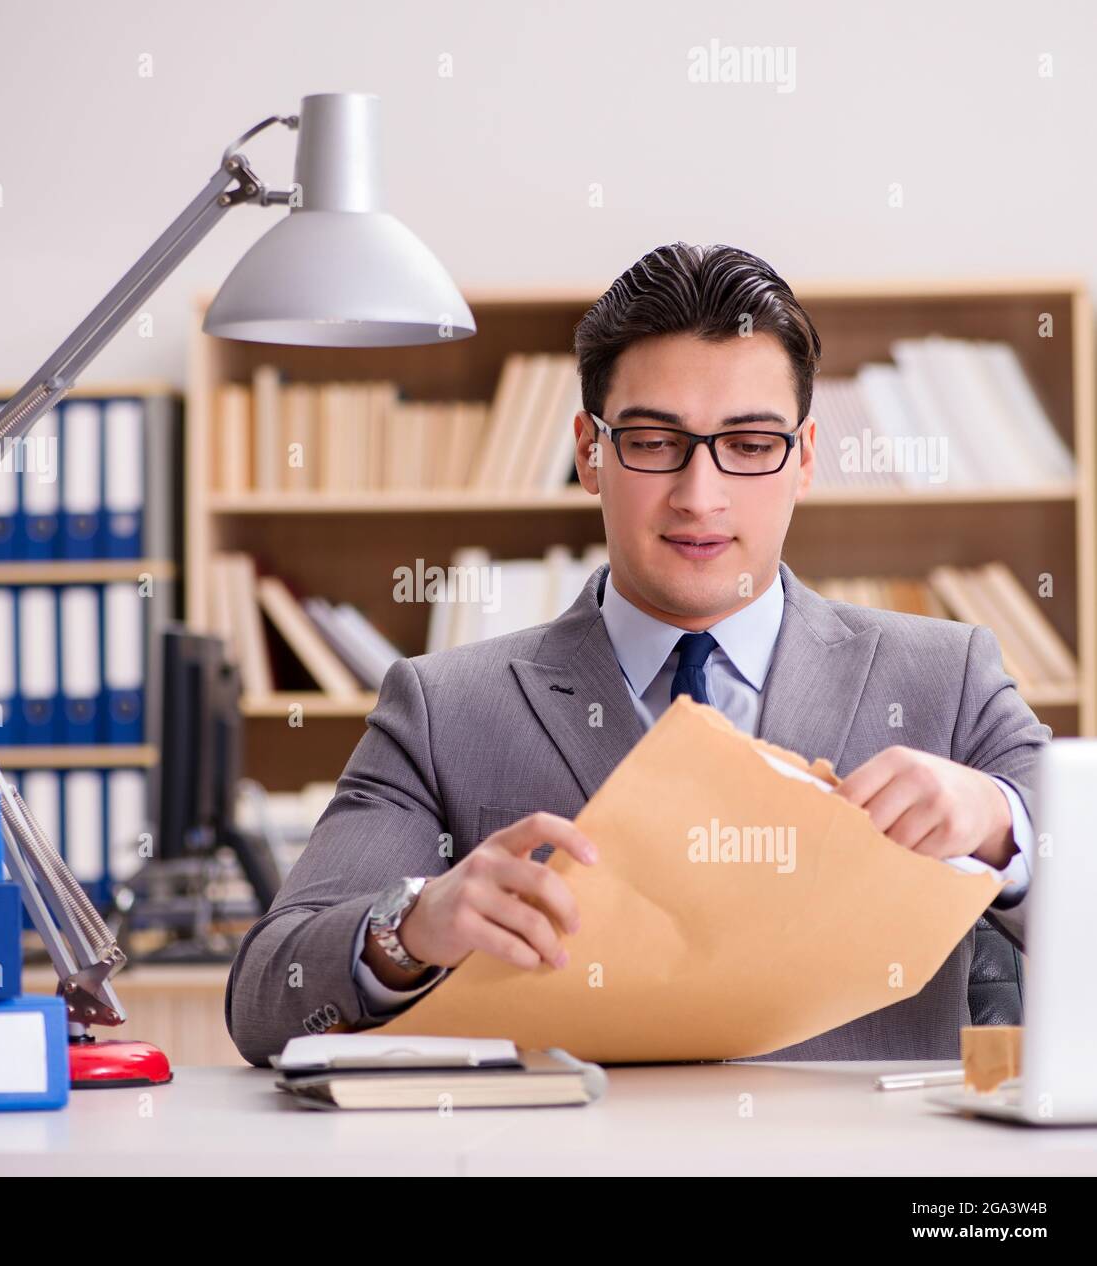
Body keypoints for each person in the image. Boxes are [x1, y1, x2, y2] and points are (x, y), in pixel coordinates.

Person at [226, 242, 1048, 1068]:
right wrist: (406, 931)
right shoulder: (445, 708)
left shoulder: (946, 676)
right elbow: (266, 995)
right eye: (655, 443)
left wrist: (999, 823)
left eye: (751, 444)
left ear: (802, 457)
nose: (700, 495)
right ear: (589, 450)